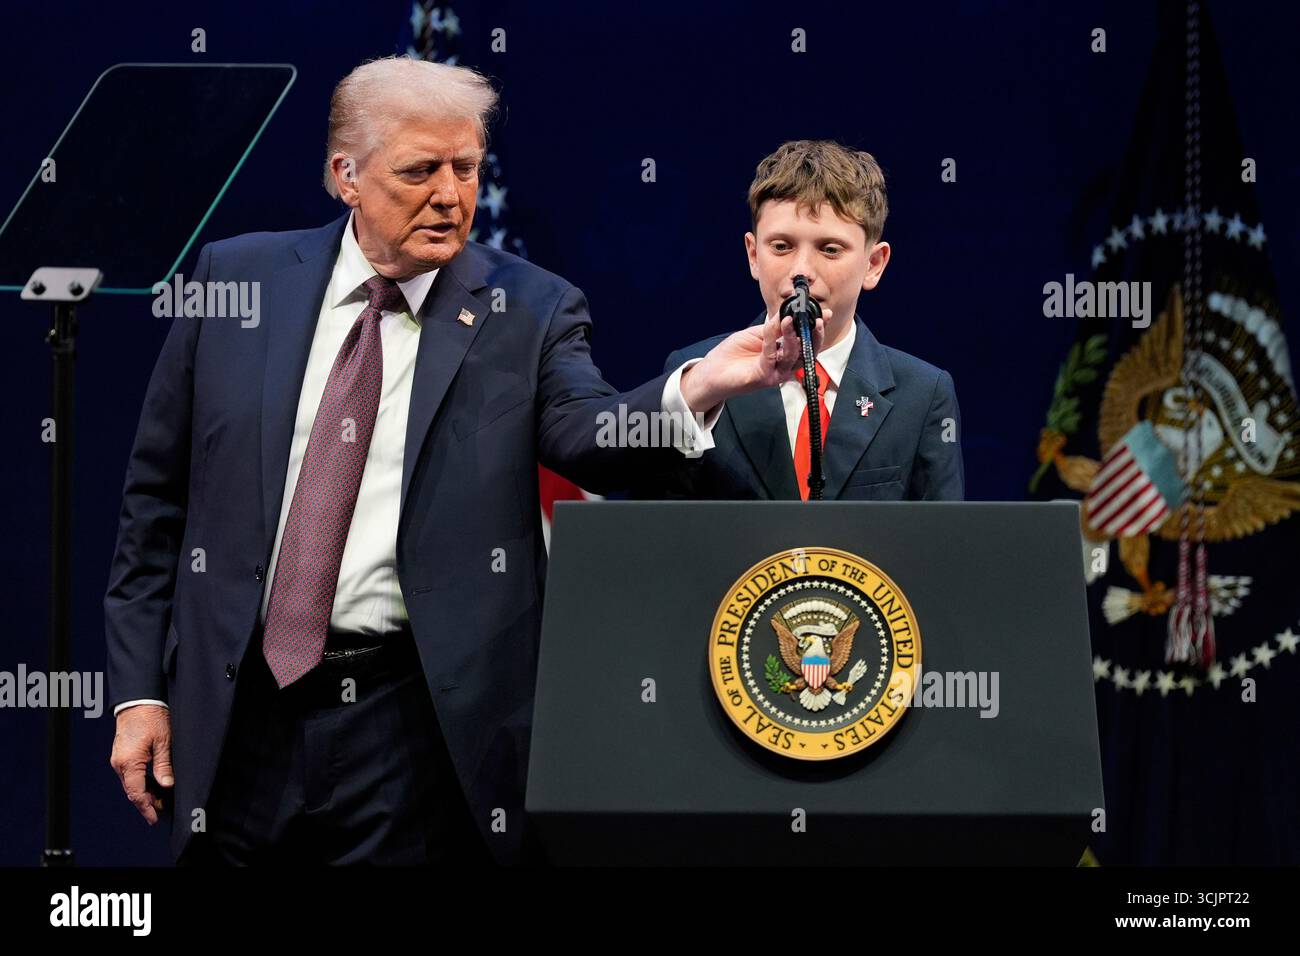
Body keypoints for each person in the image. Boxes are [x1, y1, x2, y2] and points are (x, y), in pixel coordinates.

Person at [104, 56, 823, 865]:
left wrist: (700, 387)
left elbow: (585, 433)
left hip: (408, 727)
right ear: (346, 175)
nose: (451, 195)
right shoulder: (237, 279)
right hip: (235, 715)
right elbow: (154, 504)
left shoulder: (531, 307)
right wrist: (138, 692)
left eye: (468, 168)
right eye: (420, 171)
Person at [634, 140, 964, 502]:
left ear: (873, 264)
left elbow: (941, 549)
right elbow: (658, 540)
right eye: (781, 246)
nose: (801, 271)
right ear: (753, 254)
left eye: (830, 249)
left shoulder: (923, 393)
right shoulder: (697, 373)